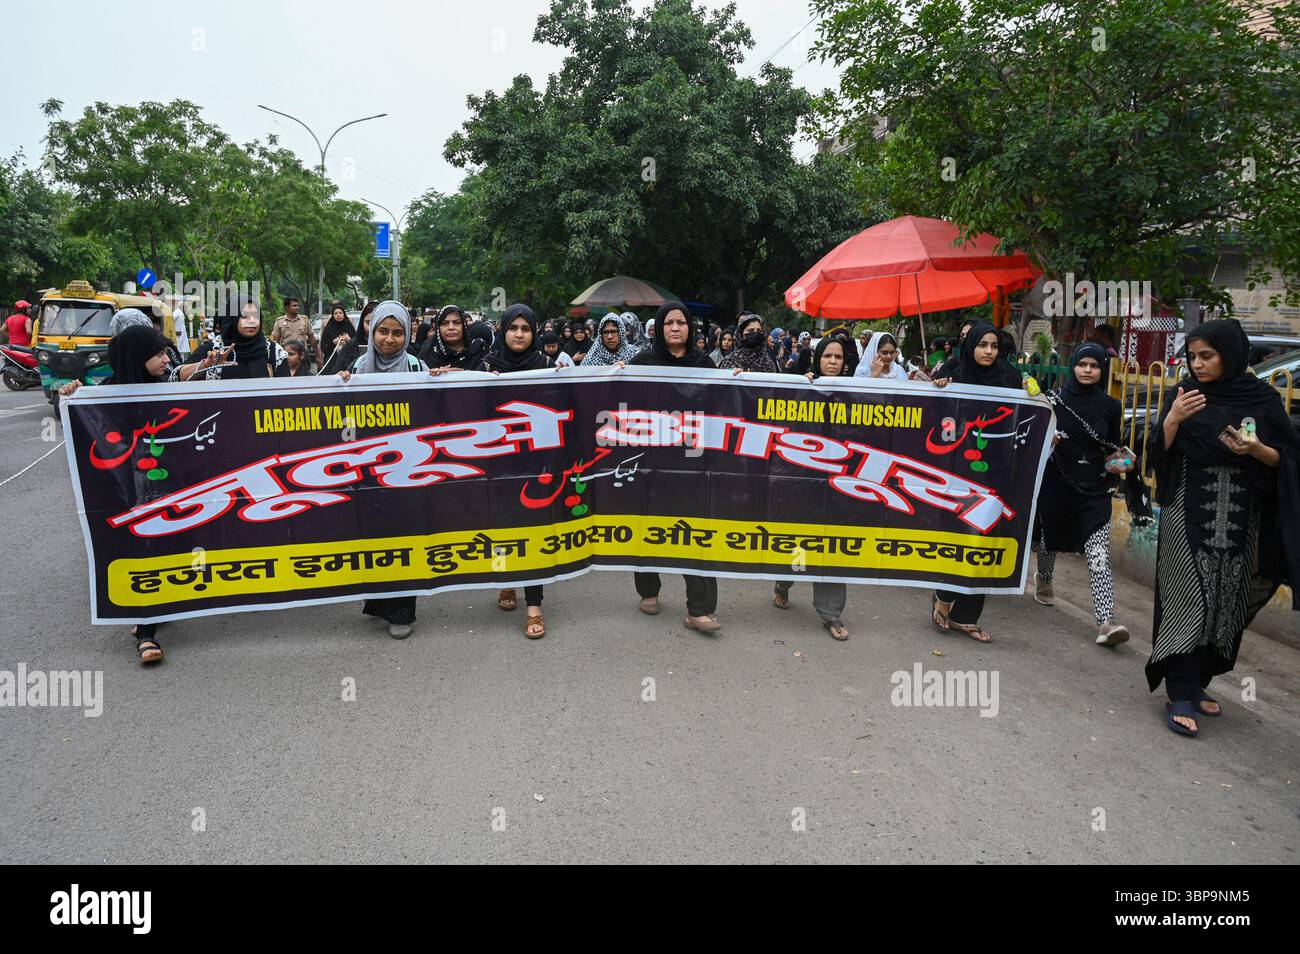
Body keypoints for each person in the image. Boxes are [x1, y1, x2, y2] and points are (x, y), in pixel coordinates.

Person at [1145, 319, 1300, 737]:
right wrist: (1173, 419)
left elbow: (1286, 460)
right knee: (1188, 598)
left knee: (1224, 601)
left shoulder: (1262, 399)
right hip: (1186, 509)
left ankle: (1198, 683)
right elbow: (1158, 451)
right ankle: (1178, 690)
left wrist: (1256, 449)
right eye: (1192, 356)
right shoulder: (1184, 394)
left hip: (1240, 516)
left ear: (1230, 355)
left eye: (1206, 356)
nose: (1197, 364)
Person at [58, 325, 175, 664]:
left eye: (167, 353)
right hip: (127, 496)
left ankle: (156, 611)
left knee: (166, 547)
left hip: (167, 490)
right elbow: (83, 418)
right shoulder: (105, 393)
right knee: (141, 548)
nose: (166, 360)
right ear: (137, 357)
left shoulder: (171, 391)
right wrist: (73, 393)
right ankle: (146, 630)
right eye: (159, 355)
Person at [929, 321, 1030, 641]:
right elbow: (936, 421)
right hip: (957, 472)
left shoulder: (1012, 378)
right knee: (956, 537)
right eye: (982, 345)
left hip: (997, 474)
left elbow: (1028, 418)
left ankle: (966, 615)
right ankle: (943, 598)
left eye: (994, 346)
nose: (988, 351)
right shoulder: (954, 375)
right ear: (970, 346)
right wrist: (939, 387)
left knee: (984, 540)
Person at [626, 301, 721, 631]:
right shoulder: (643, 362)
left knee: (695, 534)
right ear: (659, 328)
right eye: (669, 323)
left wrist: (734, 382)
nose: (676, 328)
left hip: (693, 465)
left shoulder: (705, 364)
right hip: (651, 464)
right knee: (648, 529)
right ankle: (648, 590)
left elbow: (723, 404)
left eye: (681, 322)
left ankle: (699, 609)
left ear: (690, 328)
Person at [1032, 342, 1131, 645]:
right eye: (1082, 364)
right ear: (1073, 365)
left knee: (1098, 551)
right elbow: (1036, 438)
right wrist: (1051, 443)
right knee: (1051, 539)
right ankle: (1044, 580)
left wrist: (1121, 462)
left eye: (1095, 366)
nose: (1088, 370)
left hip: (1095, 487)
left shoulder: (1112, 406)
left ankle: (1106, 622)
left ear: (1102, 369)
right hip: (1057, 481)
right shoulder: (1052, 400)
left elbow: (1113, 444)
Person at [772, 336, 854, 640]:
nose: (832, 361)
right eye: (826, 356)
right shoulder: (802, 388)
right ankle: (783, 582)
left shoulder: (857, 392)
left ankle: (831, 614)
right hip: (804, 483)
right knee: (798, 545)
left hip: (841, 486)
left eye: (838, 357)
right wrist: (799, 386)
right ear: (816, 358)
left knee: (831, 548)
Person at [484, 304, 555, 639]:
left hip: (534, 463)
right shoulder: (486, 366)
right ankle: (506, 582)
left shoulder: (546, 366)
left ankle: (534, 605)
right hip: (497, 463)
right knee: (502, 528)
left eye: (526, 328)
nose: (519, 334)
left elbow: (568, 400)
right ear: (502, 330)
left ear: (534, 333)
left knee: (533, 530)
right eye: (513, 328)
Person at [178, 299, 290, 381]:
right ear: (232, 319)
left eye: (256, 316)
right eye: (244, 316)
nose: (252, 321)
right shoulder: (213, 348)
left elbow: (287, 394)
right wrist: (206, 364)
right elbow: (176, 378)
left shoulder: (273, 351)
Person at [421, 305, 489, 370]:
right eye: (445, 323)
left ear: (464, 326)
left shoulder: (478, 349)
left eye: (457, 322)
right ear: (438, 328)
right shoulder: (429, 352)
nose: (451, 328)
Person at [269, 297, 321, 370]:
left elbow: (312, 338)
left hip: (302, 356)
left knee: (304, 378)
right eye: (294, 306)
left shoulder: (304, 320)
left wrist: (318, 355)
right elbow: (275, 341)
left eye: (298, 306)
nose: (297, 308)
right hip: (286, 357)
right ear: (287, 307)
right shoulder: (279, 321)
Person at [318, 303, 355, 370]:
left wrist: (349, 340)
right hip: (331, 361)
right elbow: (323, 347)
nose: (338, 315)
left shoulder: (349, 328)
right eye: (335, 313)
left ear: (344, 314)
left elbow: (357, 346)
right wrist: (333, 342)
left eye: (340, 313)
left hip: (347, 361)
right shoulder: (328, 329)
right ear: (332, 315)